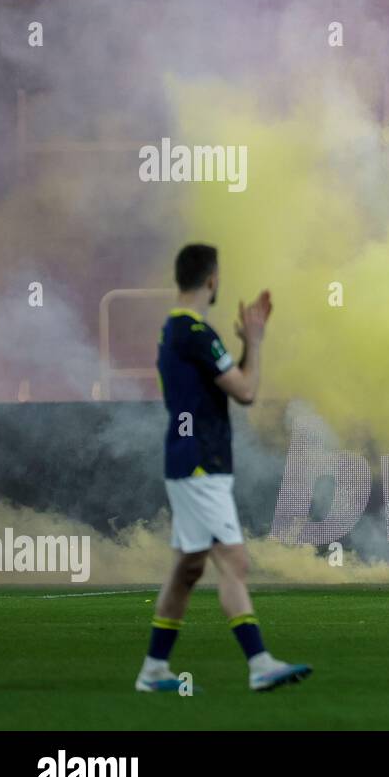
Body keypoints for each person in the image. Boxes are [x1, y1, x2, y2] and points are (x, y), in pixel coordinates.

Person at [134, 243, 311, 693]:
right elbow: (247, 391)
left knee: (189, 568)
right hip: (200, 464)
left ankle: (154, 670)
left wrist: (246, 345)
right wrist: (254, 340)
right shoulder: (196, 332)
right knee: (235, 561)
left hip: (186, 458)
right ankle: (259, 662)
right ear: (212, 280)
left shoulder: (173, 330)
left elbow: (231, 383)